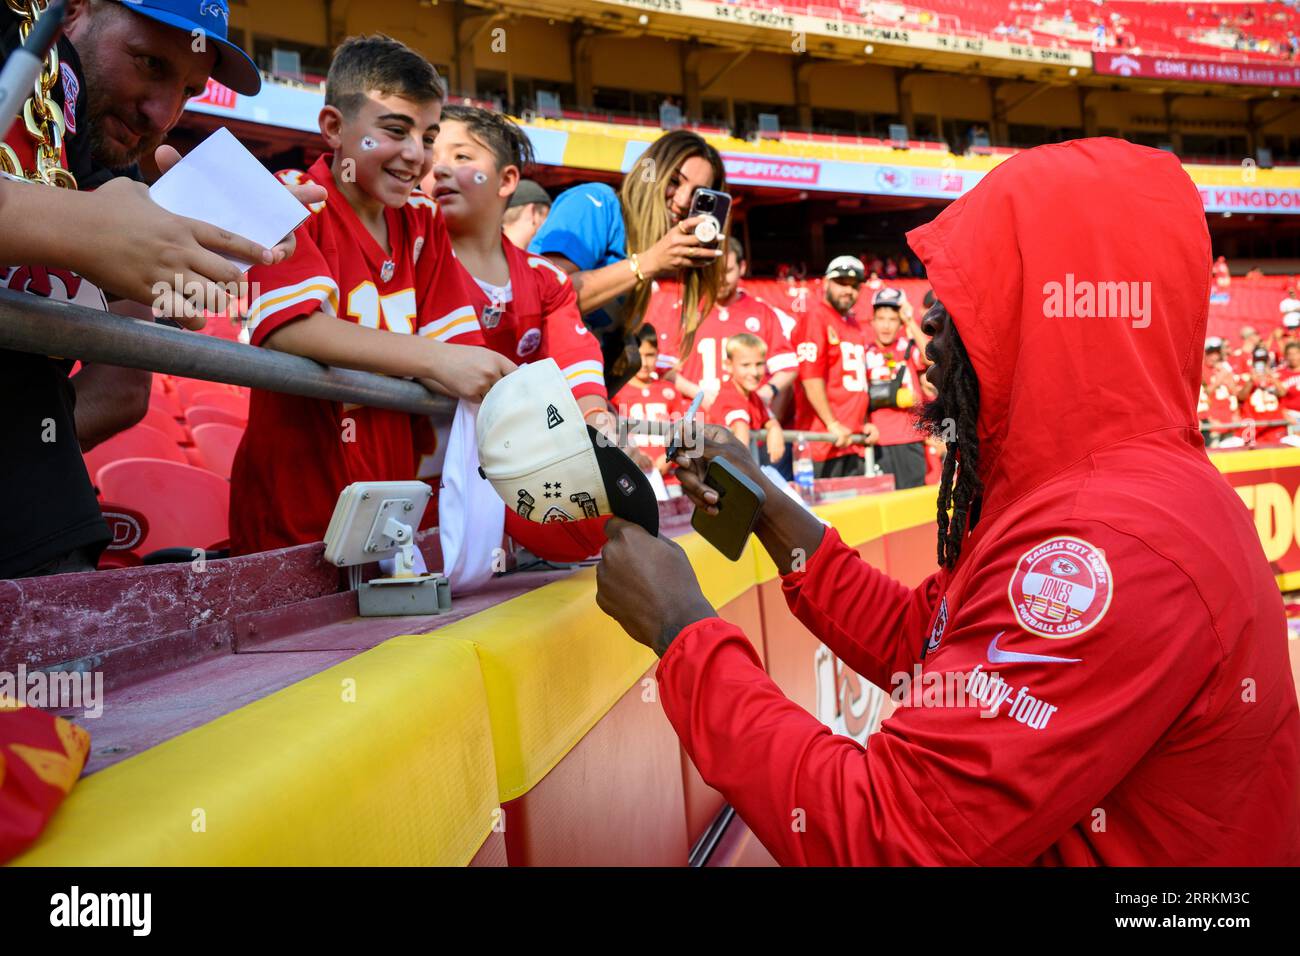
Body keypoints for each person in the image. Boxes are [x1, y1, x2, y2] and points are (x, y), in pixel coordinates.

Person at [595, 138, 1300, 865]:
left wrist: (682, 633)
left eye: (971, 292)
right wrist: (769, 509)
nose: (930, 320)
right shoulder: (1093, 494)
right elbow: (923, 643)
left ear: (1054, 313)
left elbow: (892, 838)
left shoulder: (1113, 540)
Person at [0, 0, 323, 578]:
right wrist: (80, 228)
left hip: (45, 526)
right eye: (149, 63)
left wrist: (199, 243)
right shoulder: (25, 38)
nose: (164, 114)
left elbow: (125, 382)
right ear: (74, 9)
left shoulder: (96, 137)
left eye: (189, 91)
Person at [229, 35, 514, 555]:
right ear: (334, 128)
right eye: (395, 130)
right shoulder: (294, 195)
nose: (416, 155)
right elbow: (291, 328)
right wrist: (437, 359)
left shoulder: (422, 221)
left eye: (428, 137)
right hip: (297, 505)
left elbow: (460, 349)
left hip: (390, 504)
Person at [425, 106, 608, 428]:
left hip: (508, 471)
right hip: (411, 469)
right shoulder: (407, 255)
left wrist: (596, 419)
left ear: (507, 179)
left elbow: (576, 365)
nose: (438, 168)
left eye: (462, 157)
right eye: (430, 150)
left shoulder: (546, 279)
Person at [529, 129, 727, 390]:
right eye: (675, 181)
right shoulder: (596, 203)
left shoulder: (647, 250)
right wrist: (646, 263)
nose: (682, 201)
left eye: (698, 194)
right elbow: (543, 297)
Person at [648, 238, 797, 413]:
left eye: (727, 271)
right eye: (714, 271)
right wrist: (699, 395)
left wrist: (765, 393)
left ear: (742, 267)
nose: (720, 279)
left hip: (745, 421)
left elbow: (787, 366)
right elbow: (663, 367)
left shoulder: (761, 312)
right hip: (698, 421)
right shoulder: (686, 311)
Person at [791, 255, 879, 478]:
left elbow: (858, 385)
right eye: (841, 283)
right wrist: (832, 424)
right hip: (823, 442)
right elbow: (809, 377)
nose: (848, 291)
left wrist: (865, 423)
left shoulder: (855, 325)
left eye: (854, 286)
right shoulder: (816, 317)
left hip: (853, 441)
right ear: (826, 283)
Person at [865, 287, 933, 489]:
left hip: (909, 440)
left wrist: (910, 321)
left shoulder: (908, 346)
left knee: (913, 509)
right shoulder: (863, 351)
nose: (886, 326)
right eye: (881, 319)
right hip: (878, 442)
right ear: (872, 322)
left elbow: (930, 358)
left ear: (900, 323)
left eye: (892, 320)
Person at [611, 324, 685, 481]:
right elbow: (611, 431)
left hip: (668, 479)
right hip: (633, 476)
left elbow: (681, 430)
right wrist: (634, 453)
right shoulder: (617, 392)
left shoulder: (669, 391)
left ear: (658, 354)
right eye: (640, 355)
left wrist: (669, 456)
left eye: (650, 355)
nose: (644, 362)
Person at [705, 333, 785, 467]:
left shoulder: (753, 397)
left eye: (759, 364)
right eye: (746, 365)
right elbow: (740, 427)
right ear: (728, 365)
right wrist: (744, 471)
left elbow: (768, 418)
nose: (754, 372)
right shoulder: (729, 396)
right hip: (720, 470)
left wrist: (775, 428)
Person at [502, 178, 551, 250]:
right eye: (546, 216)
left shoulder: (486, 254)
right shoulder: (535, 260)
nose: (547, 224)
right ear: (533, 212)